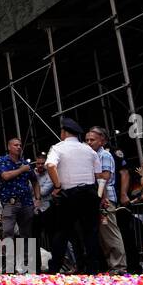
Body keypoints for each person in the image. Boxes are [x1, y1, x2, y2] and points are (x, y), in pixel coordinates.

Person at [46, 117, 103, 274]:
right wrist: (100, 197)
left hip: (70, 194)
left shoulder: (58, 148)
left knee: (62, 232)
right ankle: (93, 268)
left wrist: (57, 186)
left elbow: (50, 165)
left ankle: (54, 269)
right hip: (91, 193)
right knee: (90, 233)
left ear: (64, 132)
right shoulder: (89, 150)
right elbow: (100, 176)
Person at [86, 127, 127, 273]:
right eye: (87, 140)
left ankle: (119, 267)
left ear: (102, 140)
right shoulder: (91, 156)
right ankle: (112, 266)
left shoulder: (104, 155)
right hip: (96, 198)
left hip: (106, 199)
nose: (89, 143)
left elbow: (105, 177)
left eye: (92, 140)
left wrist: (86, 176)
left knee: (110, 233)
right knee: (103, 237)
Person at [0, 138, 36, 255]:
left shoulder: (25, 163)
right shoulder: (2, 160)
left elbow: (35, 181)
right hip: (10, 202)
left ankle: (27, 263)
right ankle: (9, 263)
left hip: (26, 202)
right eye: (15, 145)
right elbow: (5, 176)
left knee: (27, 234)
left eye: (20, 145)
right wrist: (22, 169)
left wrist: (37, 199)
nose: (18, 147)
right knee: (7, 231)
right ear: (9, 147)